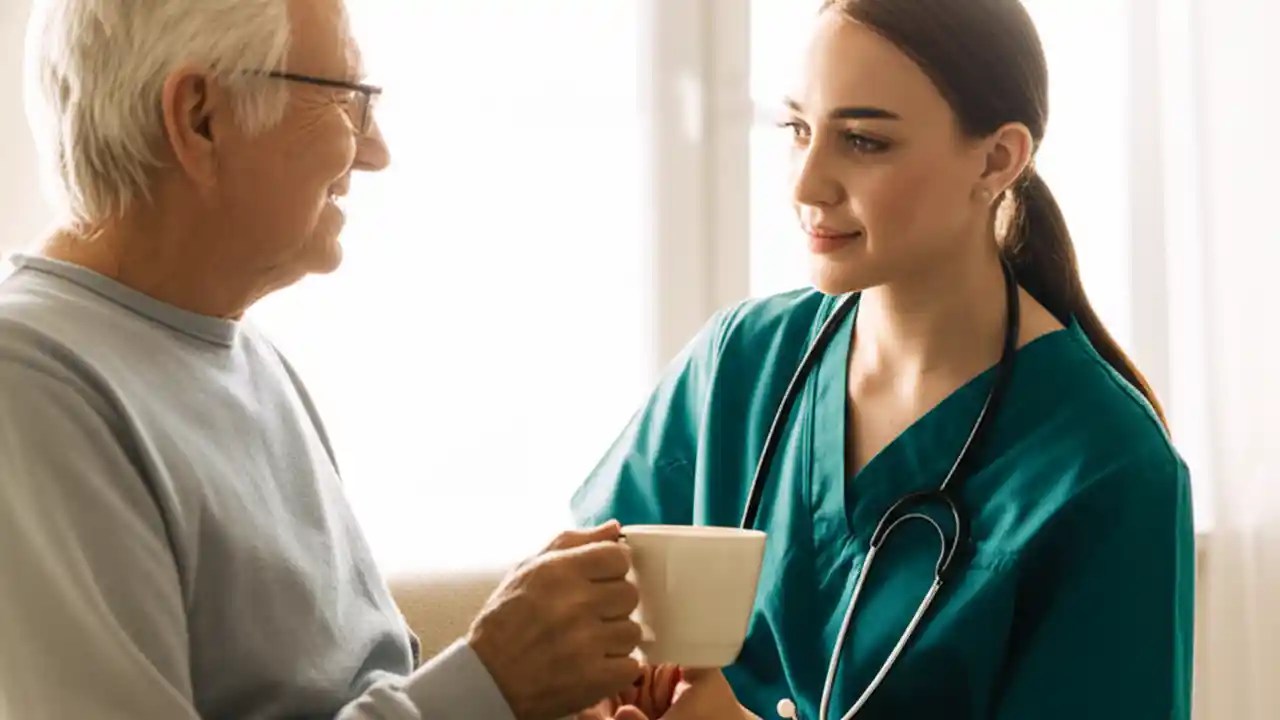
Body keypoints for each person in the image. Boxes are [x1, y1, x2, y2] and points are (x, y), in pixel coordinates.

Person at [0, 1, 643, 718]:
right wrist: (490, 686)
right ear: (201, 117)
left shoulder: (248, 359)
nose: (375, 151)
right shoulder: (28, 383)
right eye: (345, 99)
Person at [572, 1, 1195, 718]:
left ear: (998, 158)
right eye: (798, 129)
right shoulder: (738, 366)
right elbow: (572, 622)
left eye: (863, 141)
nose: (807, 185)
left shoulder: (1107, 471)